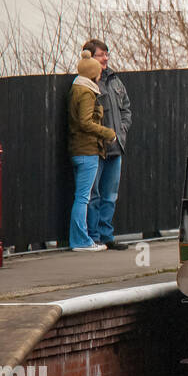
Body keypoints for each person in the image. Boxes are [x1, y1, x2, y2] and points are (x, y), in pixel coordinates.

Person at [83, 38, 132, 251]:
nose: (105, 58)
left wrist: (122, 130)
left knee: (110, 195)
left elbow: (126, 109)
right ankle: (94, 236)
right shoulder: (88, 82)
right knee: (94, 195)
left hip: (116, 146)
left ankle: (106, 234)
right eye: (100, 55)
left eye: (106, 54)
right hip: (96, 148)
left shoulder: (115, 80)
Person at [68, 51, 116, 251]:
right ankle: (81, 240)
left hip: (78, 148)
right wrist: (108, 132)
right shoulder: (86, 92)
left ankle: (79, 239)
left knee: (82, 196)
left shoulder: (76, 89)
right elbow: (86, 122)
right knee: (83, 197)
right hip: (87, 150)